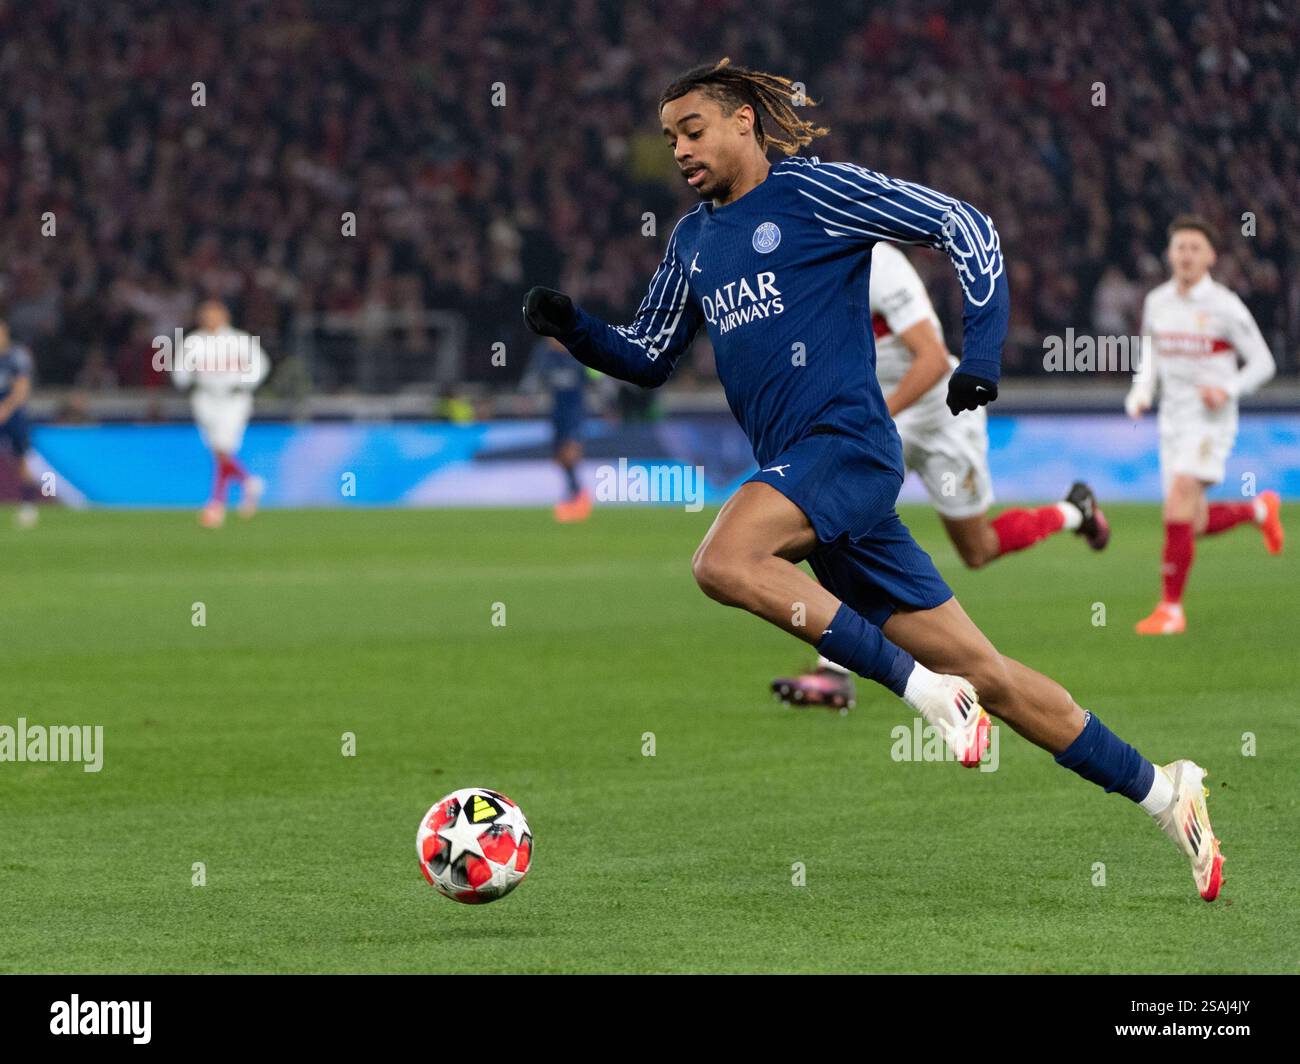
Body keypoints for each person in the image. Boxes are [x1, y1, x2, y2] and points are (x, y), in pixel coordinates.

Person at [522, 59, 1224, 901]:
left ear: (745, 119)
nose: (678, 149)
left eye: (693, 129)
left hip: (845, 449)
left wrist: (985, 354)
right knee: (993, 674)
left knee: (722, 562)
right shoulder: (693, 241)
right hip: (811, 482)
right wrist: (575, 331)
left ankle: (927, 694)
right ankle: (1163, 789)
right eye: (670, 136)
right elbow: (649, 356)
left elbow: (966, 225)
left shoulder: (817, 193)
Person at [773, 242, 1108, 709]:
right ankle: (835, 673)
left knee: (977, 549)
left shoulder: (879, 263)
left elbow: (931, 358)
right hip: (878, 414)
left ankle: (1074, 511)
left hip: (939, 408)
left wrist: (870, 419)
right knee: (839, 530)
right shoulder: (798, 266)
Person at [1126, 216, 1282, 634]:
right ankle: (1258, 509)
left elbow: (1264, 362)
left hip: (1211, 422)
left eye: (1195, 247)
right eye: (1180, 247)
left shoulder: (1225, 306)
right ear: (1170, 254)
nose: (1186, 255)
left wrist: (1227, 388)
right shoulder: (1158, 301)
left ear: (1211, 256)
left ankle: (1171, 609)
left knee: (1177, 503)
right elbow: (1150, 356)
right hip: (1172, 422)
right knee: (1188, 522)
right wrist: (1140, 393)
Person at [171, 300, 269, 528]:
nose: (209, 318)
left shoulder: (239, 340)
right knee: (218, 451)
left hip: (233, 399)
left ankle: (216, 504)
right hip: (205, 399)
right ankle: (248, 482)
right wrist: (188, 378)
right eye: (206, 314)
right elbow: (180, 374)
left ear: (224, 316)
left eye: (214, 314)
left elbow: (261, 365)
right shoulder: (194, 341)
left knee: (223, 448)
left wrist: (244, 382)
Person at [522, 335, 593, 521]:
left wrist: (609, 403)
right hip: (556, 412)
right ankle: (575, 491)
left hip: (575, 410)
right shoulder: (545, 354)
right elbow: (534, 376)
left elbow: (595, 376)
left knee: (570, 451)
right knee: (560, 457)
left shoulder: (578, 352)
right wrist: (527, 399)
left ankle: (577, 496)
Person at [0, 318, 41, 528]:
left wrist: (6, 408)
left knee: (22, 459)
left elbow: (22, 387)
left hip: (13, 415)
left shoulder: (17, 356)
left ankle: (28, 506)